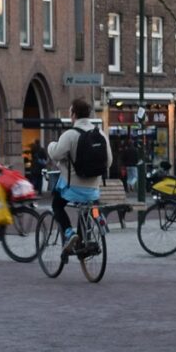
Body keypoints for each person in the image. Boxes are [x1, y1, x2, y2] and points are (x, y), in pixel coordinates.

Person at [46, 98, 110, 255]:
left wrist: (50, 145)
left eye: (70, 112)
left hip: (73, 188)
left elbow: (56, 153)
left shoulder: (70, 135)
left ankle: (69, 233)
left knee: (57, 204)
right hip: (94, 190)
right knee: (87, 207)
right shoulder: (100, 133)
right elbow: (108, 161)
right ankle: (83, 240)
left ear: (73, 114)